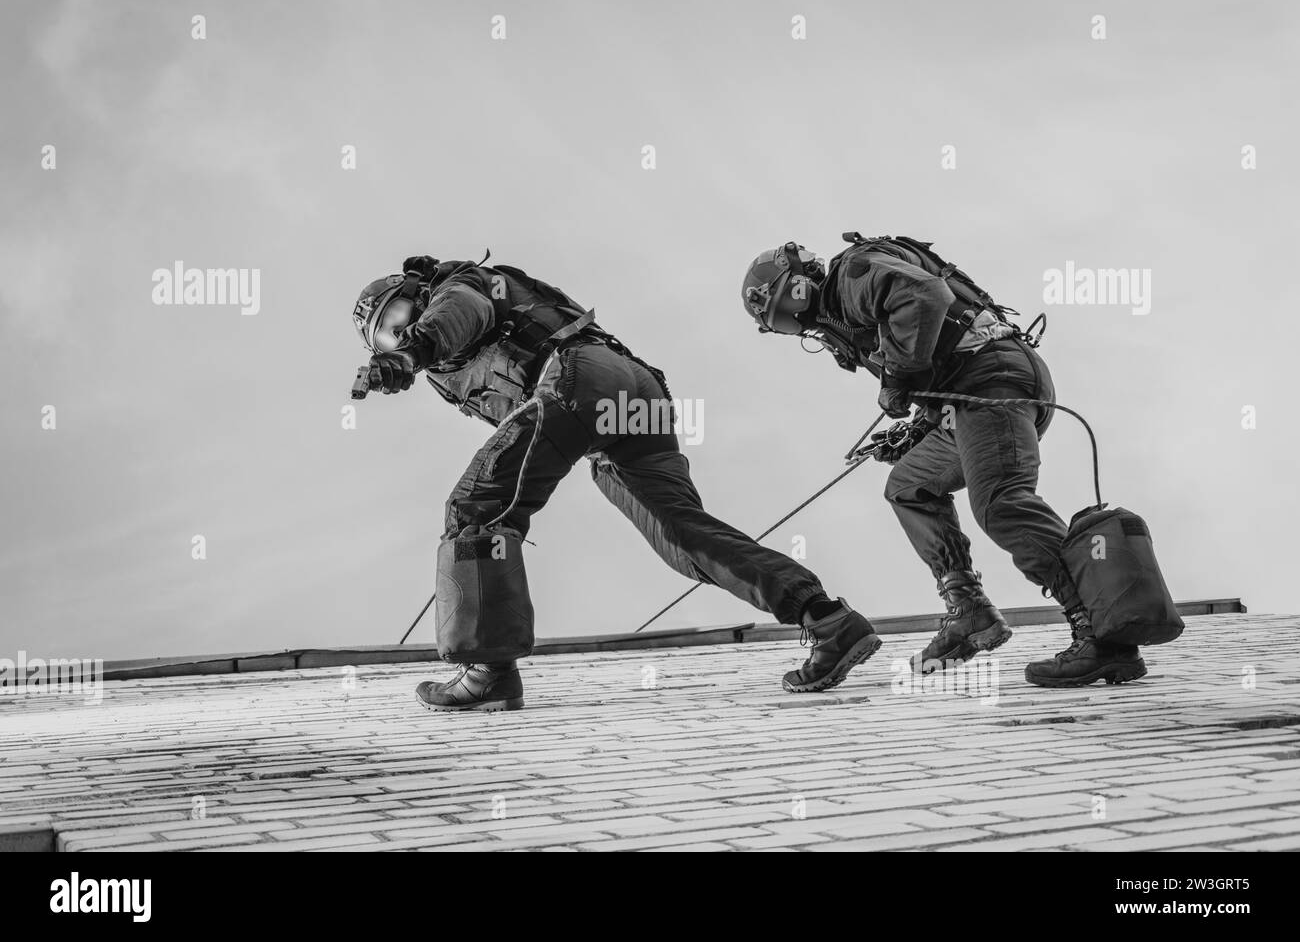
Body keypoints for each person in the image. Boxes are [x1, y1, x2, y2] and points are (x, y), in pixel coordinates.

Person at [353, 253, 882, 711]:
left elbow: (457, 315)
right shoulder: (449, 368)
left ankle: (486, 671)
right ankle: (828, 619)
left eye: (398, 316)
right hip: (630, 397)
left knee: (476, 509)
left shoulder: (458, 290)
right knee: (679, 535)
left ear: (416, 294)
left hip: (580, 374)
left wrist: (407, 351)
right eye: (385, 334)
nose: (398, 334)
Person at [739, 235, 1147, 688]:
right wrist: (917, 428)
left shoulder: (851, 274)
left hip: (992, 380)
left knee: (1002, 502)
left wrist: (895, 376)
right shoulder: (850, 288)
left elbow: (925, 294)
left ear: (789, 293)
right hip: (972, 393)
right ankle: (969, 610)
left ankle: (1103, 639)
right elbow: (928, 349)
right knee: (910, 485)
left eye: (786, 322)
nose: (803, 330)